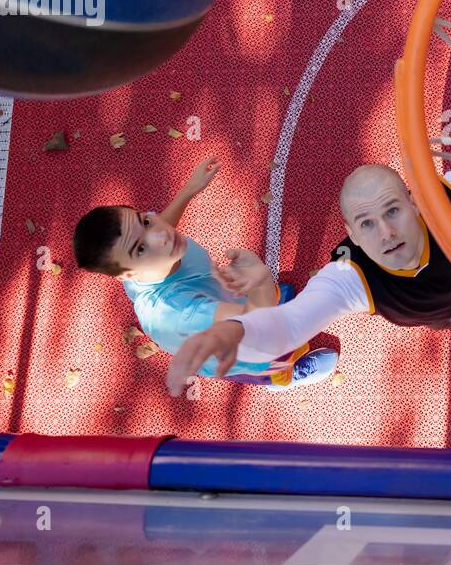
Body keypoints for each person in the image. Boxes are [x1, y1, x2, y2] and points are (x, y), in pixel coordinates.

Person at [166, 130, 451, 396]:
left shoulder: (449, 197)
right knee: (444, 315)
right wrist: (238, 330)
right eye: (366, 223)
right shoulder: (350, 277)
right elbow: (290, 325)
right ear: (350, 230)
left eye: (392, 212)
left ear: (415, 204)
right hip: (432, 304)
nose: (385, 233)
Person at [72, 156, 338, 391]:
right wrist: (260, 280)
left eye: (145, 221)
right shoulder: (178, 311)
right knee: (276, 352)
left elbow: (158, 225)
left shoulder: (146, 258)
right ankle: (286, 376)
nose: (160, 234)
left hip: (226, 307)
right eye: (140, 248)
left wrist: (188, 191)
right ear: (127, 275)